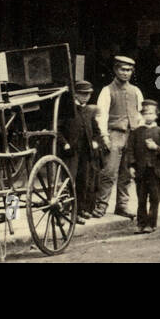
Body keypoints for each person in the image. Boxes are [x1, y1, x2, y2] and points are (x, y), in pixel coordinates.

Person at [94, 54, 143, 220]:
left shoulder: (136, 91)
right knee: (109, 172)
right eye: (122, 69)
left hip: (132, 135)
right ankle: (101, 205)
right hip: (114, 134)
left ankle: (122, 205)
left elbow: (140, 114)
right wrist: (104, 136)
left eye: (129, 70)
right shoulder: (107, 91)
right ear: (115, 70)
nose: (126, 73)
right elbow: (102, 115)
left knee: (127, 173)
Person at [59, 81, 104, 224]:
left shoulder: (89, 111)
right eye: (83, 94)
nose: (86, 97)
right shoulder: (67, 110)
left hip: (86, 152)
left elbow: (96, 131)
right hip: (72, 152)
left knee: (83, 181)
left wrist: (96, 141)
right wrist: (64, 144)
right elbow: (57, 129)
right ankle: (63, 212)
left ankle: (79, 210)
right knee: (69, 181)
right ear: (76, 94)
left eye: (88, 94)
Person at [126, 100, 160, 234]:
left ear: (156, 115)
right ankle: (141, 223)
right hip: (141, 170)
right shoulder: (136, 132)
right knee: (141, 198)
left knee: (154, 198)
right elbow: (130, 150)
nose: (148, 116)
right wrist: (131, 166)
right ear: (142, 115)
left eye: (151, 113)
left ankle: (151, 223)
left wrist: (156, 147)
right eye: (145, 113)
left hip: (155, 170)